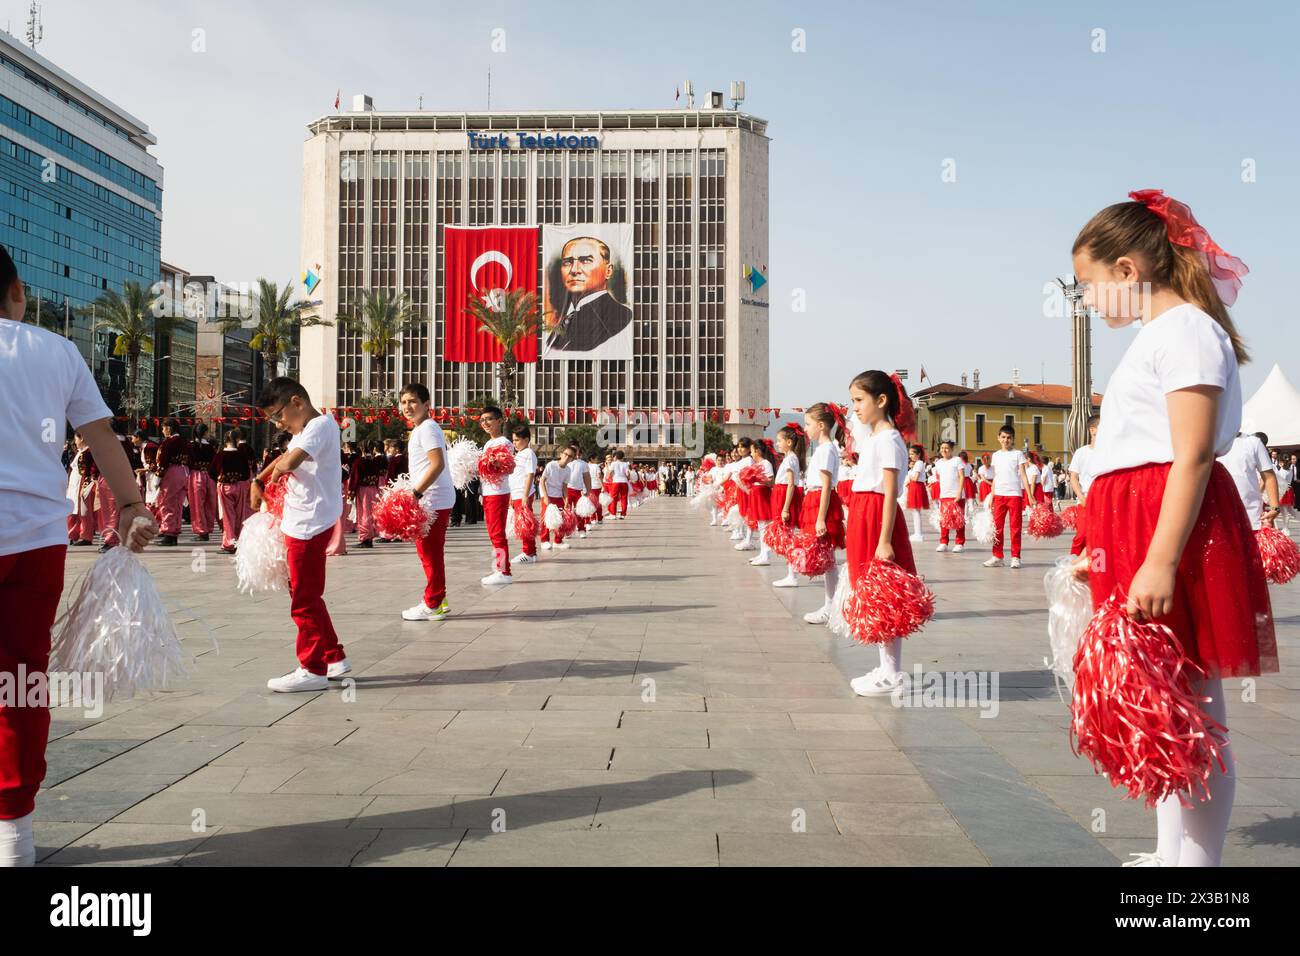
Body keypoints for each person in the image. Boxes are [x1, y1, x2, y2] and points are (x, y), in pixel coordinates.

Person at [1071, 188, 1275, 867]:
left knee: (1191, 701)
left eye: (1090, 285)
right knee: (1157, 698)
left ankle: (1196, 870)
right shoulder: (1161, 333)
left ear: (1128, 270)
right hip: (1136, 524)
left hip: (1167, 527)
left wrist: (1159, 561)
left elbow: (1188, 453)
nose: (1089, 302)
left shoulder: (1186, 328)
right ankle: (1169, 853)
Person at [0, 243, 158, 866]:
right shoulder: (55, 350)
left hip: (35, 536)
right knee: (21, 680)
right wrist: (129, 506)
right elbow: (100, 436)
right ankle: (15, 835)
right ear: (18, 292)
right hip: (37, 538)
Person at [252, 377, 350, 691]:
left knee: (304, 601)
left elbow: (290, 461)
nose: (278, 424)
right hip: (300, 522)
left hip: (310, 523)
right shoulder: (304, 431)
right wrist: (259, 479)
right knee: (305, 595)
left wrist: (270, 479)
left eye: (278, 415)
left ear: (297, 402)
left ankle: (312, 668)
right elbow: (282, 459)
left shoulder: (321, 425)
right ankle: (333, 656)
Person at [844, 370, 919, 696]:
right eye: (853, 401)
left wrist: (885, 540)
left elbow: (890, 493)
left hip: (877, 516)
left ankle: (892, 673)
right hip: (864, 513)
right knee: (872, 592)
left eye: (860, 400)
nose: (856, 408)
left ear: (882, 400)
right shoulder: (874, 437)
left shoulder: (889, 439)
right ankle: (886, 667)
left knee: (884, 593)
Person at [399, 383, 455, 620]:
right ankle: (439, 600)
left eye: (412, 401)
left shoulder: (428, 428)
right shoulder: (422, 429)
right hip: (432, 498)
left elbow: (437, 463)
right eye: (403, 402)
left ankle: (431, 603)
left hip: (432, 499)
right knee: (430, 553)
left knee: (430, 554)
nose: (407, 407)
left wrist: (415, 493)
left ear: (426, 405)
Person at [799, 402, 847, 625]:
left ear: (820, 425)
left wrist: (820, 517)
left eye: (808, 424)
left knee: (828, 559)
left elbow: (827, 485)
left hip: (821, 501)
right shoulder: (824, 448)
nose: (805, 428)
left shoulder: (827, 449)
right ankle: (832, 604)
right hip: (816, 499)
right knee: (827, 559)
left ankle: (831, 606)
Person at [546, 236, 633, 354]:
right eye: (567, 262)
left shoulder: (619, 315)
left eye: (585, 261)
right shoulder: (567, 316)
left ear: (608, 271)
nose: (574, 270)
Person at [984, 425, 1032, 569]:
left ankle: (1015, 557)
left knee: (1015, 527)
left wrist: (1030, 495)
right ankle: (997, 556)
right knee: (997, 527)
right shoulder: (996, 455)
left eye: (1009, 437)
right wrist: (991, 496)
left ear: (1013, 439)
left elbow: (1023, 475)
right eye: (1003, 437)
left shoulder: (1018, 454)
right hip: (999, 494)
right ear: (998, 438)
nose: (1006, 440)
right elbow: (995, 477)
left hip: (1014, 495)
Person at [767, 424, 807, 580]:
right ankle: (791, 574)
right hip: (781, 494)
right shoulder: (789, 458)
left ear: (789, 442)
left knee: (788, 538)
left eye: (779, 440)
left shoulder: (791, 459)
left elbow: (791, 484)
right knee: (786, 538)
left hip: (785, 496)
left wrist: (785, 508)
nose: (777, 444)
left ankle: (792, 575)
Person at [1217, 432, 1279, 532]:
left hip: (1251, 517)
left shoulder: (1253, 442)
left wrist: (1275, 507)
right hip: (1216, 517)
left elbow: (1269, 476)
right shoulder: (1207, 441)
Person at [211, 427, 252, 554]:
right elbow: (246, 474)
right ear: (237, 439)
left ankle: (229, 543)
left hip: (225, 486)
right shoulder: (241, 454)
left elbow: (212, 472)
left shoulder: (220, 455)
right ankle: (239, 541)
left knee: (228, 516)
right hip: (239, 486)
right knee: (240, 515)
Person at [152, 418, 190, 546]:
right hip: (184, 472)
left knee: (167, 503)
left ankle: (168, 532)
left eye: (163, 428)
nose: (162, 431)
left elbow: (163, 460)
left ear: (169, 428)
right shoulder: (184, 441)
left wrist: (158, 477)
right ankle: (174, 533)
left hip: (171, 472)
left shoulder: (169, 442)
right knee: (178, 504)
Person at [1067, 415, 1101, 557]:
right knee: (1082, 535)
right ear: (1092, 430)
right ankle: (1072, 563)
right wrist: (1081, 497)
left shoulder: (1110, 452)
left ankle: (1099, 567)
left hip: (1103, 500)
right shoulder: (1081, 453)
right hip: (1085, 500)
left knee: (1101, 537)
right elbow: (1073, 477)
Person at [509, 422, 539, 564]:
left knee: (525, 524)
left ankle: (527, 552)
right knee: (524, 523)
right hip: (516, 493)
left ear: (526, 440)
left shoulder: (528, 453)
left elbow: (530, 475)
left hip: (523, 493)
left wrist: (525, 495)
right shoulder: (518, 454)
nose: (514, 443)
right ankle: (531, 552)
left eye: (517, 440)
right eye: (513, 440)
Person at [349, 439, 386, 548]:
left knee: (364, 514)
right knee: (371, 513)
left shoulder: (358, 462)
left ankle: (365, 538)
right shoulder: (374, 461)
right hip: (373, 489)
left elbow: (354, 479)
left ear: (361, 449)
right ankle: (370, 536)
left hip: (363, 490)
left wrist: (351, 493)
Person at [932, 439, 967, 553]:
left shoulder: (957, 460)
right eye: (942, 448)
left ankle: (959, 543)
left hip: (956, 495)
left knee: (958, 519)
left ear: (952, 449)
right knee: (944, 520)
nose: (944, 450)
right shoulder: (938, 463)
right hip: (944, 495)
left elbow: (962, 476)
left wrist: (959, 492)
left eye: (946, 448)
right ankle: (943, 542)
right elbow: (939, 478)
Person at [565, 444, 593, 537]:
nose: (573, 451)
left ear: (578, 452)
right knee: (566, 511)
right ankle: (567, 530)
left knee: (580, 511)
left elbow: (587, 477)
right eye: (571, 449)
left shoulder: (583, 464)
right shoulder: (565, 462)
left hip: (579, 490)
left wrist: (588, 490)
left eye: (575, 449)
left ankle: (581, 529)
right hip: (566, 490)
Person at [903, 445, 929, 541]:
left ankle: (918, 533)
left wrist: (909, 472)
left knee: (916, 511)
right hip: (915, 486)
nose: (910, 456)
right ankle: (917, 533)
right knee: (915, 511)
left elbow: (915, 477)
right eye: (910, 454)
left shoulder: (919, 463)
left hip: (916, 486)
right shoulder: (918, 463)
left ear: (918, 454)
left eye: (912, 454)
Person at [607, 449, 630, 518]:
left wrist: (610, 477)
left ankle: (613, 514)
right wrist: (628, 478)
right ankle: (623, 514)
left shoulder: (613, 463)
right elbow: (627, 474)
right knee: (624, 498)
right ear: (623, 457)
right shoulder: (625, 464)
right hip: (624, 482)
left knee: (613, 498)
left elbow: (610, 472)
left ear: (616, 456)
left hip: (616, 481)